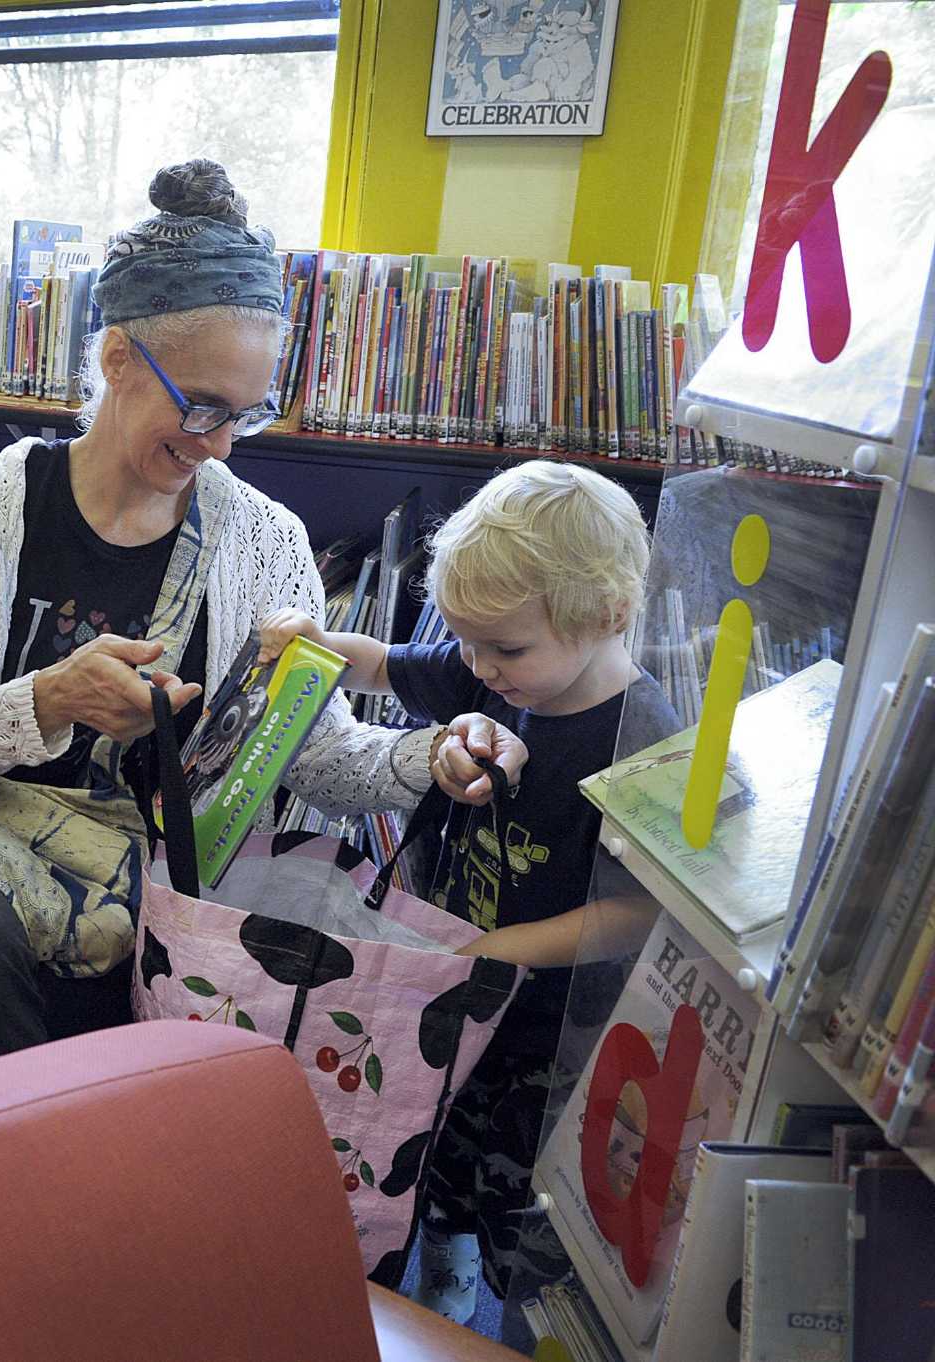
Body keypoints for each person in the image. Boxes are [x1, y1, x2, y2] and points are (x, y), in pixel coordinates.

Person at [0, 159, 459, 1104]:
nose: (219, 445)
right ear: (120, 358)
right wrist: (51, 698)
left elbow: (314, 754)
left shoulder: (267, 541)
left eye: (245, 415)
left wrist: (431, 756)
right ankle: (29, 1222)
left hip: (151, 873)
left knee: (74, 997)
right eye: (202, 405)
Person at [259, 458, 680, 1332]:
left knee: (521, 1212)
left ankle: (507, 1322)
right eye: (467, 642)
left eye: (506, 649)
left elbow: (637, 911)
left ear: (608, 615)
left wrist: (496, 953)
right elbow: (384, 667)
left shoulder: (644, 741)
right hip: (456, 1007)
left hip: (550, 1042)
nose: (481, 669)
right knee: (435, 1162)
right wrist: (316, 645)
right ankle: (440, 1301)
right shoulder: (495, 663)